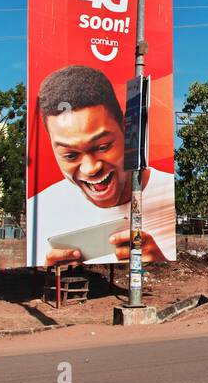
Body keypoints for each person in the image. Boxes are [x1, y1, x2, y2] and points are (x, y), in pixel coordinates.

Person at [30, 64, 175, 267]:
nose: (90, 168)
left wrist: (161, 264)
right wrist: (48, 273)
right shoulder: (41, 209)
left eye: (102, 146)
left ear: (126, 130)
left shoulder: (168, 193)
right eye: (70, 155)